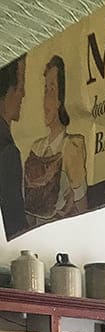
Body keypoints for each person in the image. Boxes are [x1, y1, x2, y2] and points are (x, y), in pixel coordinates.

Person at [24, 55, 87, 226]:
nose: (46, 101)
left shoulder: (72, 147)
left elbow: (84, 213)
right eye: (45, 91)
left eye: (52, 90)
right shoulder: (37, 147)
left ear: (62, 99)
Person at [0, 54, 27, 239]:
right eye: (21, 85)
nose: (23, 93)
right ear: (9, 91)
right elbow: (17, 221)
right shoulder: (8, 151)